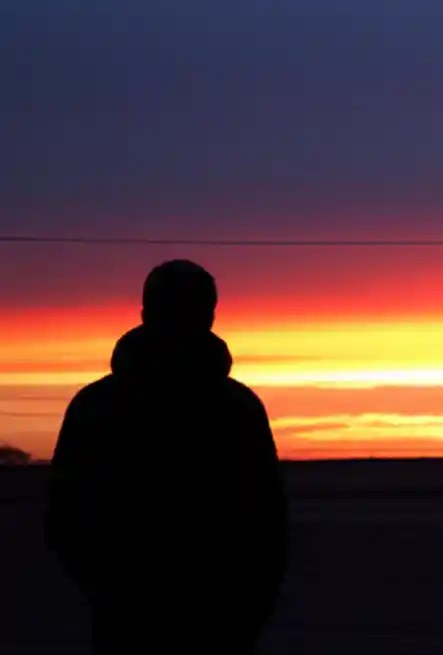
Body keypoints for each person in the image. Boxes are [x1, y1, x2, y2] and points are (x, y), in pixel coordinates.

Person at [45, 260, 287, 654]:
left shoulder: (97, 405)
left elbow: (267, 520)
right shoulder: (236, 407)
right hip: (183, 616)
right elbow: (268, 522)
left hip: (182, 617)